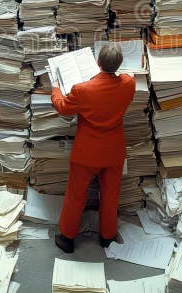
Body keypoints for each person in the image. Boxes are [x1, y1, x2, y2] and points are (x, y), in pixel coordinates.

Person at [51, 43, 136, 254]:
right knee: (110, 194)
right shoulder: (129, 84)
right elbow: (125, 78)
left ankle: (67, 239)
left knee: (76, 195)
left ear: (97, 63)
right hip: (114, 151)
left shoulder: (82, 90)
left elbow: (62, 107)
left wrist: (55, 88)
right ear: (119, 64)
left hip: (86, 153)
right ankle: (107, 237)